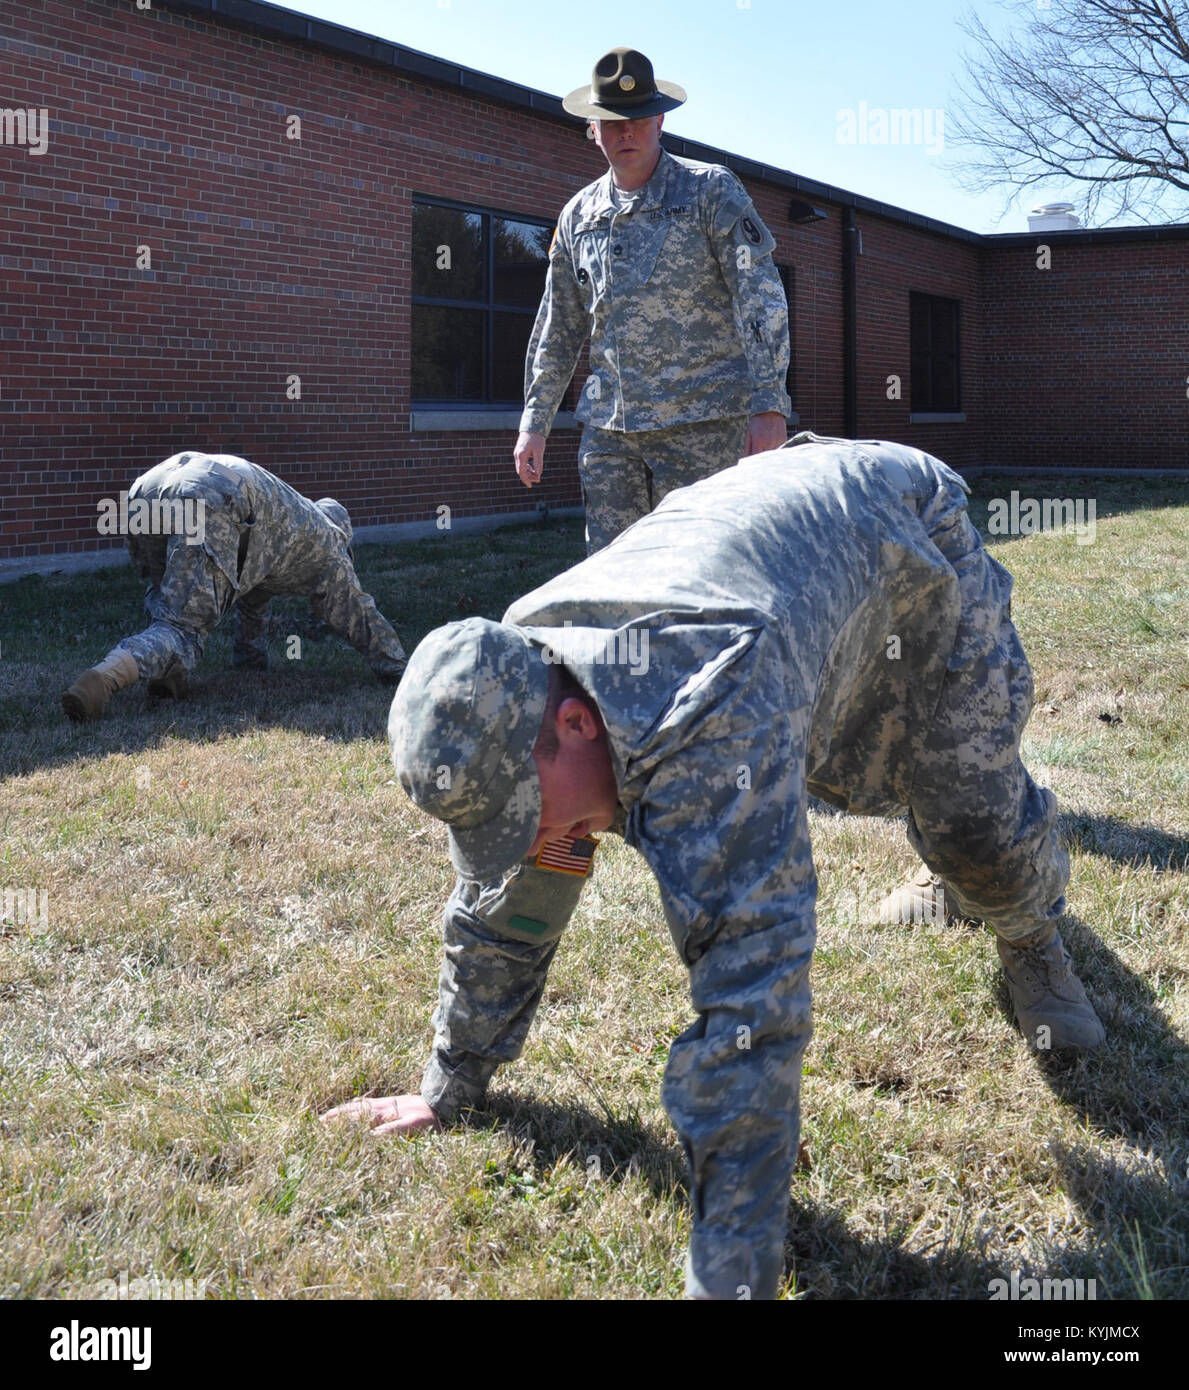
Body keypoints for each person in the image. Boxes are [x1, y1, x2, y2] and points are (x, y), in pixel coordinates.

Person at [326, 434, 1106, 1301]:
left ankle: (1028, 936)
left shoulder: (710, 705)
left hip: (905, 529)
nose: (540, 837)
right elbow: (515, 896)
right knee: (812, 750)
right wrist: (450, 1082)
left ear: (579, 726)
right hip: (782, 568)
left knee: (971, 820)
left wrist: (727, 1277)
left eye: (526, 813)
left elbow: (751, 996)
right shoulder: (517, 681)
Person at [513, 47, 791, 553]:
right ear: (592, 128)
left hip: (702, 431)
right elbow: (559, 328)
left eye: (638, 118)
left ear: (659, 119)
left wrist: (770, 403)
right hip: (610, 442)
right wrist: (535, 422)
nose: (626, 132)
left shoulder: (710, 192)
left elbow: (761, 298)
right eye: (611, 121)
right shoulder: (578, 218)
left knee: (705, 574)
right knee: (614, 578)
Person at [62, 451, 407, 721]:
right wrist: (399, 669)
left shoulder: (288, 524)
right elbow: (360, 615)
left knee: (168, 594)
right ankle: (104, 678)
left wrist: (251, 658)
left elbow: (253, 600)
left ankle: (169, 676)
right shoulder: (328, 545)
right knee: (182, 625)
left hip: (152, 485)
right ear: (344, 536)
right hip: (212, 496)